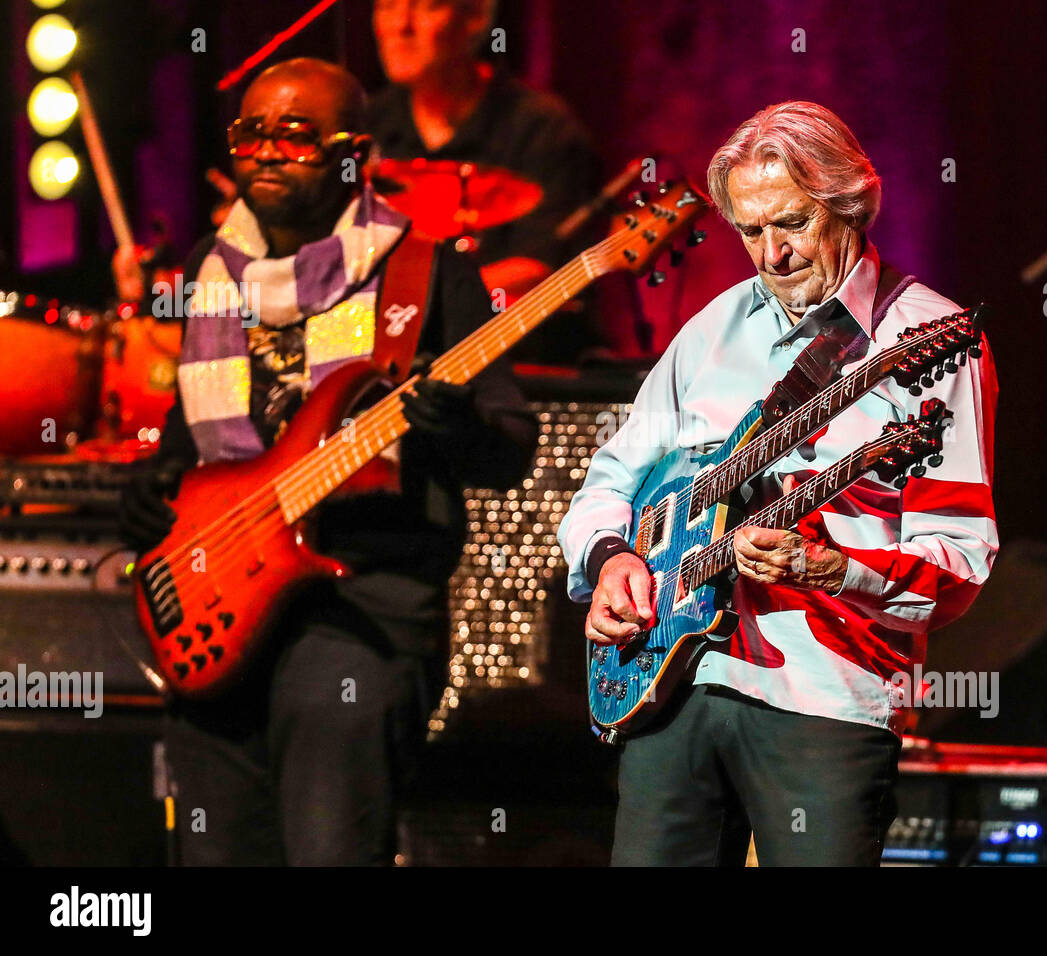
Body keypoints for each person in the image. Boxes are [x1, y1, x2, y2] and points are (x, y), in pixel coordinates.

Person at [118, 57, 538, 865]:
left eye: (296, 135)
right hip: (220, 611)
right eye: (251, 133)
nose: (267, 150)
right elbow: (190, 438)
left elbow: (508, 448)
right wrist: (151, 493)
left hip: (359, 613)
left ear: (354, 156)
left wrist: (448, 428)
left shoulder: (426, 269)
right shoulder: (213, 267)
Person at [558, 101, 999, 866]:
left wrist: (832, 567)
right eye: (752, 231)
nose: (773, 254)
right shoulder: (712, 330)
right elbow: (610, 479)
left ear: (849, 205)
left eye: (793, 223)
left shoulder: (930, 341)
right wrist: (611, 561)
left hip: (824, 695)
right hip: (672, 685)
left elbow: (959, 563)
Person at [368, 0, 604, 363]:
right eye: (386, 7)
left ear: (475, 19)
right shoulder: (368, 126)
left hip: (510, 363)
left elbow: (540, 270)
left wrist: (422, 305)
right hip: (383, 357)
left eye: (425, 7)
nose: (401, 25)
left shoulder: (541, 129)